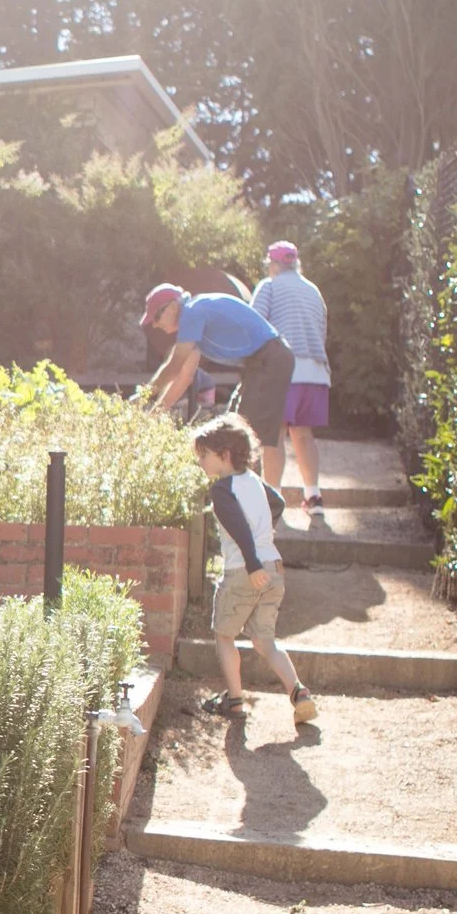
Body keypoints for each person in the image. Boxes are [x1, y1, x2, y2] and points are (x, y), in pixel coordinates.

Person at [190, 414, 316, 725]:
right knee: (265, 641)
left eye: (203, 456)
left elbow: (237, 527)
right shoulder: (256, 483)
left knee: (224, 636)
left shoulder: (222, 490)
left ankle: (234, 701)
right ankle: (299, 693)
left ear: (224, 455)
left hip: (245, 570)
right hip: (273, 568)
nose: (201, 463)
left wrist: (251, 559)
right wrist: (263, 545)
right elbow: (278, 504)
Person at [140, 283, 296, 487]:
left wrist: (143, 396)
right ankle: (246, 498)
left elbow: (174, 365)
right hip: (261, 363)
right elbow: (184, 377)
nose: (155, 325)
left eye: (156, 318)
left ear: (170, 308)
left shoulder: (192, 312)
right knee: (230, 428)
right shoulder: (193, 319)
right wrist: (155, 413)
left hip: (270, 359)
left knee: (244, 436)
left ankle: (255, 502)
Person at [250, 240, 331, 520]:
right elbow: (322, 329)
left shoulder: (269, 287)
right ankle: (313, 495)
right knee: (304, 435)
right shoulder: (313, 290)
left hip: (285, 370)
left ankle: (272, 499)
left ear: (273, 265)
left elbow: (255, 325)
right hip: (315, 372)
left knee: (274, 436)